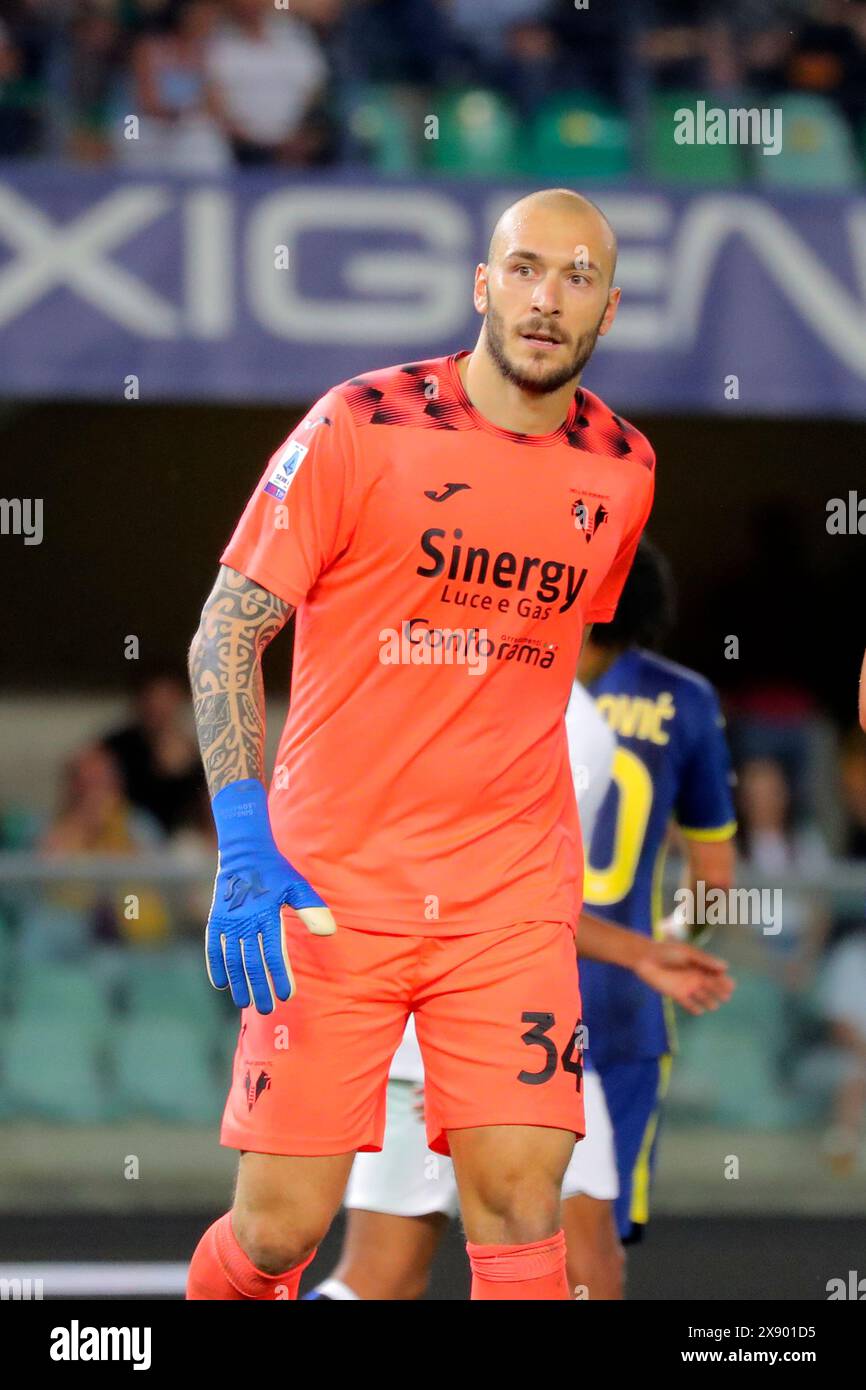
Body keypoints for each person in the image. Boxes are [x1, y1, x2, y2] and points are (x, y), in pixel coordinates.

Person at [186, 187, 659, 1302]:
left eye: (576, 277)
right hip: (324, 888)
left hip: (505, 898)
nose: (547, 298)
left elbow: (537, 653)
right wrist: (243, 840)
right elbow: (226, 632)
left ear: (607, 307)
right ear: (482, 284)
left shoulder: (625, 468)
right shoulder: (358, 422)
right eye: (525, 269)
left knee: (518, 1199)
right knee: (274, 1232)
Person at [304, 679, 733, 1301]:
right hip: (497, 1030)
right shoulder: (566, 714)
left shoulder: (438, 680)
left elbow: (488, 882)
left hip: (412, 1024)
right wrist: (463, 1064)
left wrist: (639, 953)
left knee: (377, 1281)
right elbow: (516, 894)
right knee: (586, 1276)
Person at [562, 539, 738, 1298]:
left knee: (488, 1236)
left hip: (501, 993)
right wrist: (663, 947)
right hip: (626, 1009)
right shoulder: (687, 700)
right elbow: (715, 880)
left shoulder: (509, 681)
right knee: (597, 1252)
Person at [103, 670, 205, 835]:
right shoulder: (116, 748)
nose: (159, 707)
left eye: (166, 699)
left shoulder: (197, 753)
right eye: (152, 698)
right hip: (126, 837)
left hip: (182, 843)